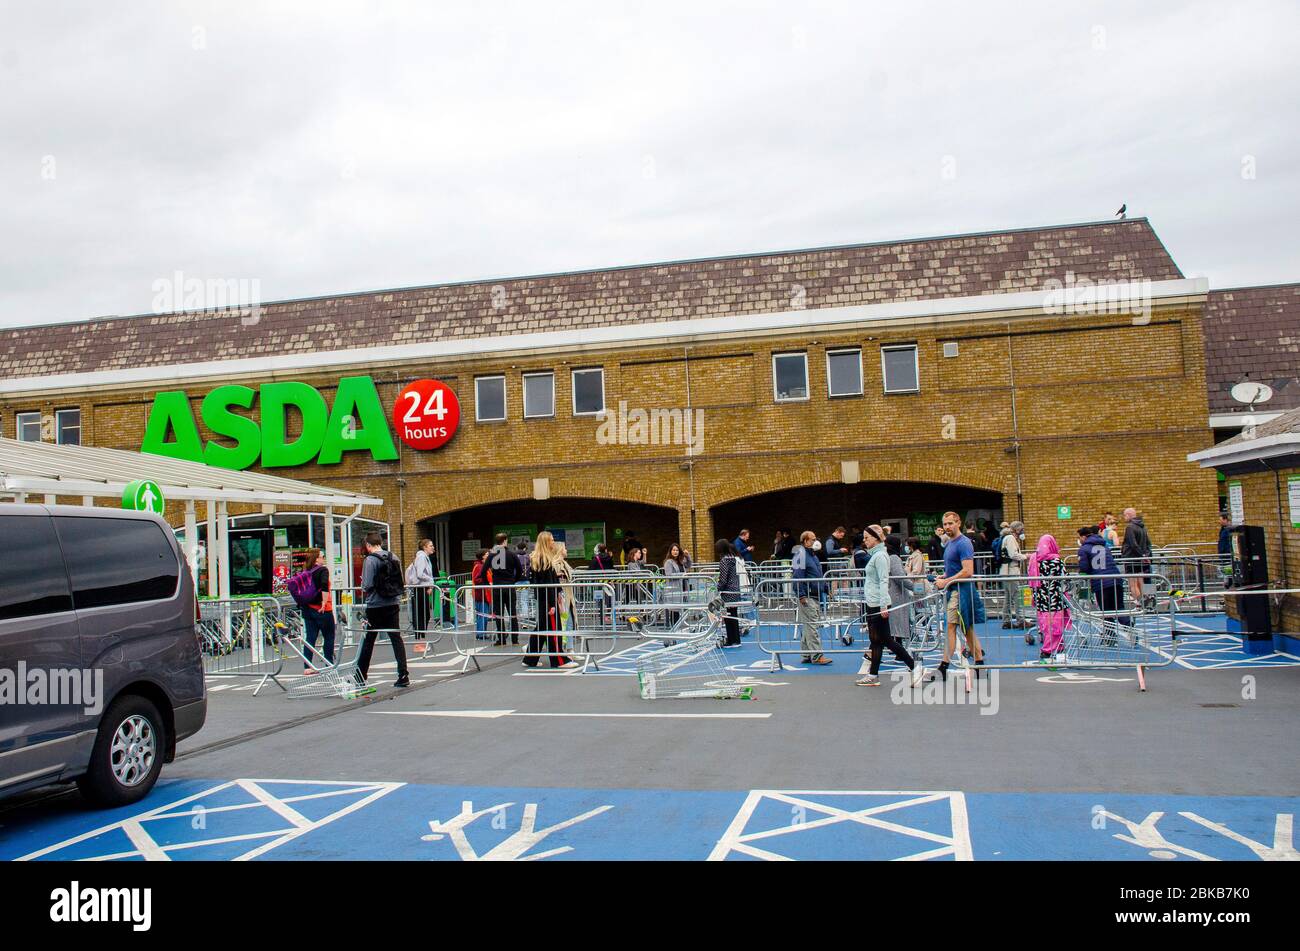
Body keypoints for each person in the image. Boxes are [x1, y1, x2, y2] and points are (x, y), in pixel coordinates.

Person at [934, 510, 984, 680]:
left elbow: (968, 571)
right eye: (945, 524)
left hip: (961, 591)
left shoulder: (963, 543)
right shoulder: (950, 543)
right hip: (955, 590)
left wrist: (946, 581)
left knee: (951, 626)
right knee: (966, 628)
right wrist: (944, 577)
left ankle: (943, 666)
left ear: (958, 523)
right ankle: (979, 664)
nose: (947, 526)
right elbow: (955, 569)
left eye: (950, 523)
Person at [358, 532, 410, 688]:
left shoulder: (370, 560)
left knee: (369, 640)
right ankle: (403, 674)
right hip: (392, 603)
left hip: (375, 605)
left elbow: (367, 585)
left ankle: (360, 676)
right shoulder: (394, 557)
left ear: (368, 545)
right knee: (396, 638)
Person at [523, 532, 576, 669]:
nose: (553, 542)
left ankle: (530, 659)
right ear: (546, 542)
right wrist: (552, 604)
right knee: (553, 630)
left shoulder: (539, 559)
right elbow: (547, 584)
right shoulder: (544, 560)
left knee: (541, 629)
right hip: (547, 600)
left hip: (544, 599)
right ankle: (558, 660)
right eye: (551, 540)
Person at [791, 531, 831, 665]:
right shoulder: (800, 555)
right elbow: (797, 576)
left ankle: (807, 654)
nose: (815, 541)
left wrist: (826, 588)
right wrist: (801, 594)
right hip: (807, 596)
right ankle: (817, 655)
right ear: (805, 541)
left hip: (814, 594)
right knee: (812, 626)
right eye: (813, 539)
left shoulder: (813, 555)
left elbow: (818, 574)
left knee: (808, 626)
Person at [1078, 525, 1130, 629]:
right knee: (1119, 607)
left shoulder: (1084, 549)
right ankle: (1129, 627)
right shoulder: (1104, 545)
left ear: (1083, 537)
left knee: (1106, 611)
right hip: (1115, 579)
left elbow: (1084, 567)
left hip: (1101, 582)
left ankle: (1110, 633)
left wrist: (1082, 573)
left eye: (1079, 537)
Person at [1027, 535, 1069, 663]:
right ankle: (1050, 649)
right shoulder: (1056, 561)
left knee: (1046, 624)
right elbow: (1065, 577)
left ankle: (1055, 646)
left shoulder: (1034, 560)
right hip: (1055, 597)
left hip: (1041, 598)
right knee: (1056, 624)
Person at [296, 548, 335, 674]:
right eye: (322, 556)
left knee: (310, 638)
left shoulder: (306, 572)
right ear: (316, 559)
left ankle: (307, 667)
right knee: (329, 636)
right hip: (322, 609)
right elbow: (324, 585)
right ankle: (329, 664)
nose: (324, 559)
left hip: (308, 609)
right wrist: (324, 602)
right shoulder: (322, 570)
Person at [487, 533, 520, 646]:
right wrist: (513, 580)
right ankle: (515, 640)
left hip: (497, 588)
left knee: (499, 614)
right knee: (513, 613)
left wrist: (487, 584)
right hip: (509, 587)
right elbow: (520, 570)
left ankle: (501, 639)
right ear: (505, 541)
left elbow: (483, 571)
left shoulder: (492, 555)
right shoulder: (512, 554)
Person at [1120, 507, 1153, 608]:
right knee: (1142, 582)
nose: (1124, 517)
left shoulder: (1130, 527)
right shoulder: (1143, 526)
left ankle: (1140, 604)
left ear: (1129, 515)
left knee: (1133, 584)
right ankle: (1148, 602)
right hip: (1142, 559)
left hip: (1132, 558)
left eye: (1124, 515)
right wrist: (1146, 555)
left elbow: (1133, 544)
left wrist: (1142, 555)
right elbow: (1148, 543)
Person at [999, 521, 1028, 629]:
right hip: (1011, 571)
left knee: (1008, 597)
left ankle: (1006, 620)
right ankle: (1020, 620)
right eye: (1022, 529)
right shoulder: (1010, 538)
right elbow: (1013, 554)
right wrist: (1025, 556)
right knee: (1016, 595)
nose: (1023, 531)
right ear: (1017, 529)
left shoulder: (1007, 537)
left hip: (1007, 571)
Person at [405, 538, 436, 639]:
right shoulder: (422, 557)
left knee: (423, 613)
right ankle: (419, 635)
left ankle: (420, 634)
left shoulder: (424, 557)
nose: (433, 547)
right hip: (420, 588)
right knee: (422, 613)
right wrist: (431, 581)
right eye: (431, 546)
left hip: (422, 587)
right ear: (424, 547)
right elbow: (420, 574)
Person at [715, 539, 743, 646]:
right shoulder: (733, 558)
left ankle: (731, 640)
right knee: (733, 615)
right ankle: (736, 639)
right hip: (735, 589)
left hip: (727, 591)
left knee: (728, 616)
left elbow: (723, 578)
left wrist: (718, 587)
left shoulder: (724, 561)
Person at [470, 548, 492, 640]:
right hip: (481, 594)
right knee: (483, 614)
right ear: (483, 556)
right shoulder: (479, 566)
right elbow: (477, 579)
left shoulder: (483, 566)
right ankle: (481, 634)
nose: (489, 555)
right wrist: (488, 583)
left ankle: (481, 633)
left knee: (483, 614)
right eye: (487, 554)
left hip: (484, 594)